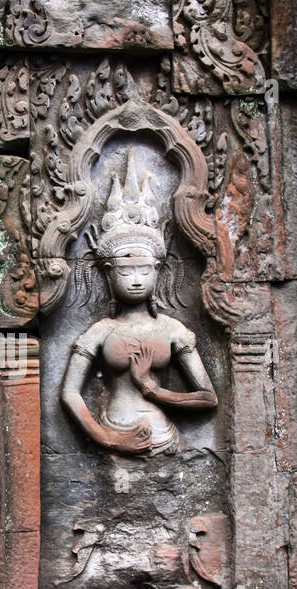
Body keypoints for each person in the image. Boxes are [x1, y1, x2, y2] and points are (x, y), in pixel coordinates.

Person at [61, 154, 217, 458]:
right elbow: (69, 393)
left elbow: (208, 398)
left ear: (158, 272)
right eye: (126, 270)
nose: (136, 279)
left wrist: (152, 389)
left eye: (144, 270)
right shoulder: (102, 331)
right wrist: (107, 438)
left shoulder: (172, 329)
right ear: (108, 273)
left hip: (165, 438)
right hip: (113, 434)